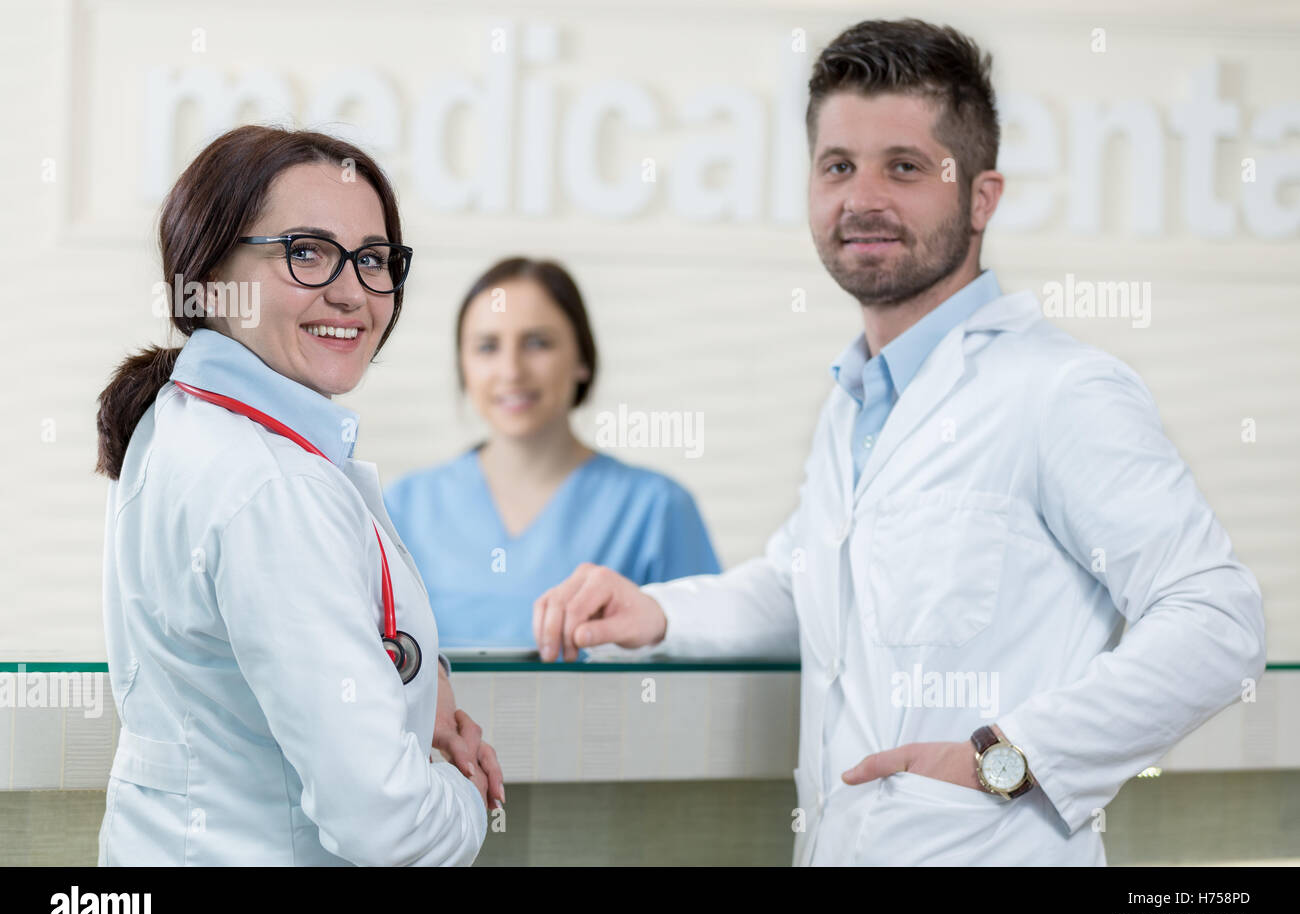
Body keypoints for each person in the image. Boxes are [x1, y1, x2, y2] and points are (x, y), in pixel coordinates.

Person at [532, 19, 1267, 865]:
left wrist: (1011, 756)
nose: (862, 198)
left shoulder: (1061, 393)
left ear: (981, 197)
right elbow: (812, 586)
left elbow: (1218, 618)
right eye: (838, 165)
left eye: (905, 167)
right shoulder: (854, 403)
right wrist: (661, 611)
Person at [94, 125, 503, 866]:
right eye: (305, 252)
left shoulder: (177, 420)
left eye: (373, 260)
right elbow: (389, 828)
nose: (350, 292)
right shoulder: (271, 485)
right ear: (210, 272)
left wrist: (417, 686)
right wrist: (466, 794)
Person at [384, 257, 720, 654]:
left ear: (581, 360)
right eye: (487, 347)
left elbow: (702, 667)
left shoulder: (657, 509)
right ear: (464, 366)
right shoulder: (402, 508)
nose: (511, 370)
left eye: (538, 343)